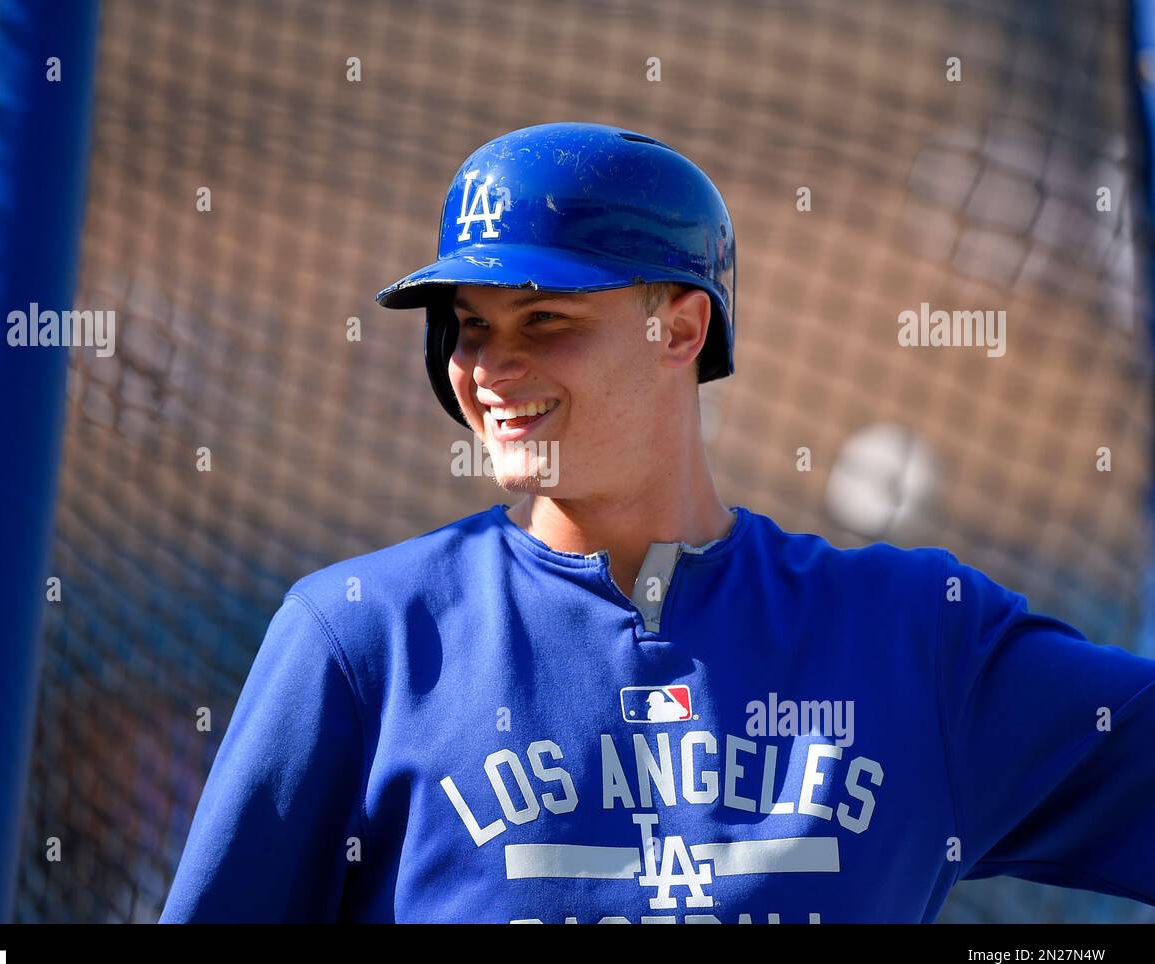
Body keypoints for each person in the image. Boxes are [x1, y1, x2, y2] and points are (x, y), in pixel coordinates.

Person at [159, 122, 1155, 923]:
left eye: (544, 319)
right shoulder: (363, 635)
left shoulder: (910, 636)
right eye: (469, 327)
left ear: (678, 326)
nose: (492, 370)